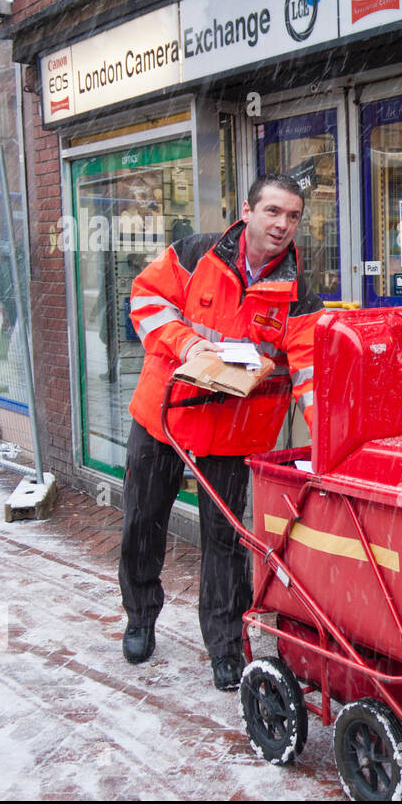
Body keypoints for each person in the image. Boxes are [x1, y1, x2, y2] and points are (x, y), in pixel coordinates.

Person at [119, 173, 322, 690]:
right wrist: (187, 345)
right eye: (273, 211)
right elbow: (144, 299)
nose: (282, 225)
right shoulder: (196, 253)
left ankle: (226, 646)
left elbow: (309, 368)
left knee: (225, 543)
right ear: (247, 211)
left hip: (234, 434)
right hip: (164, 417)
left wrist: (327, 432)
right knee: (143, 523)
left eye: (293, 216)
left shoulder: (299, 291)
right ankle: (140, 618)